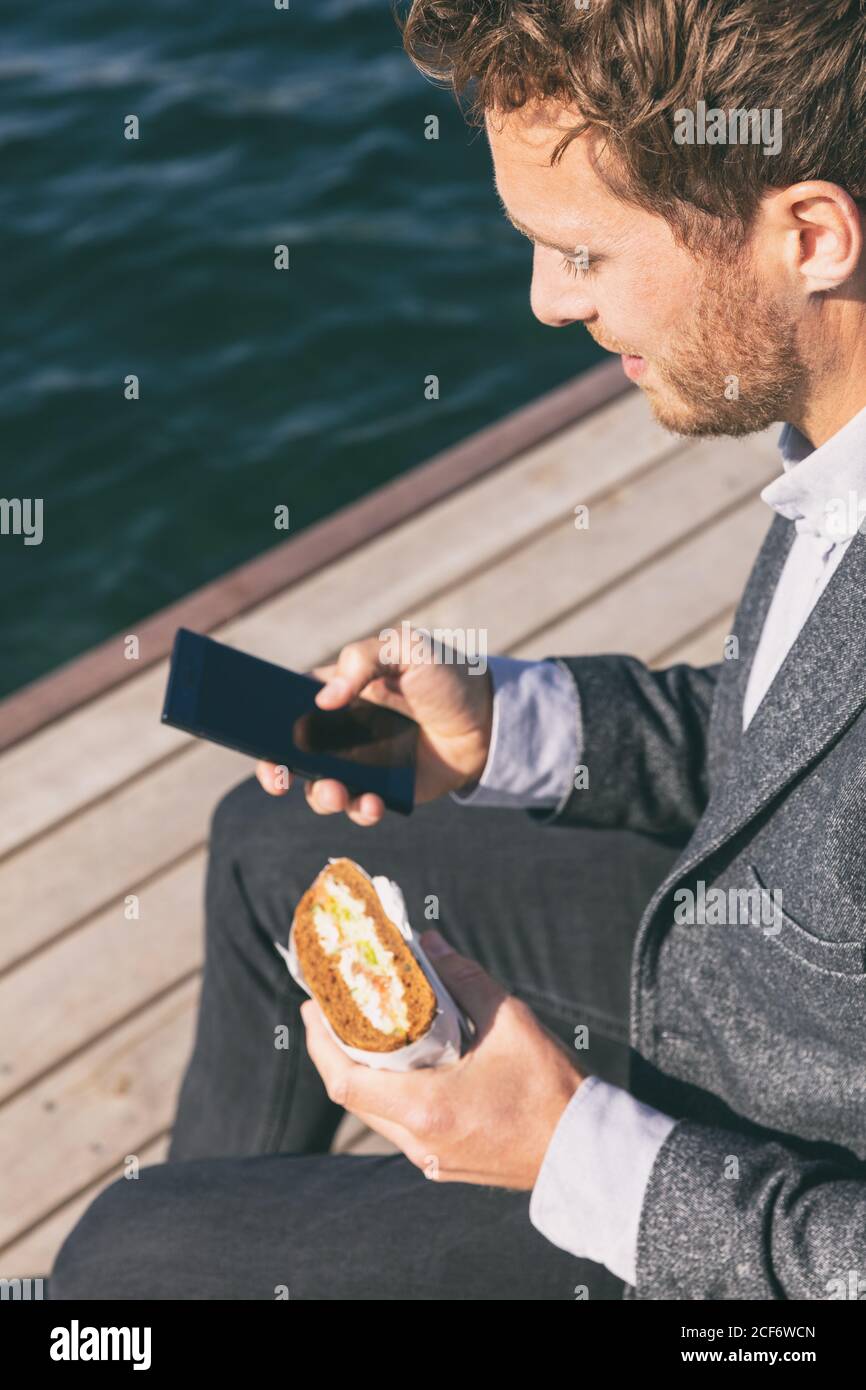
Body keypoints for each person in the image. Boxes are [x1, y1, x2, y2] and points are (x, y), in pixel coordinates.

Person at [51, 0, 866, 1300]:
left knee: (116, 1266)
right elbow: (797, 742)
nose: (545, 303)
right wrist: (508, 727)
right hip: (764, 980)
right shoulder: (838, 454)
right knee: (272, 840)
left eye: (581, 254)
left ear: (810, 235)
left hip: (753, 1212)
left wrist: (566, 1147)